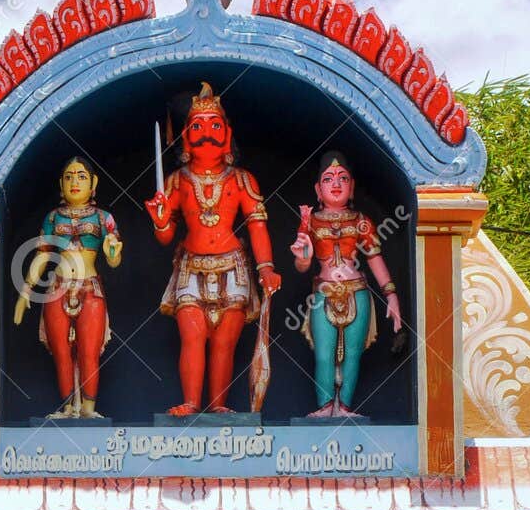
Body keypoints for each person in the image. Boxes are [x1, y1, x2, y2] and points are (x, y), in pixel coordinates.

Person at [144, 83, 281, 417]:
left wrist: (265, 268)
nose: (207, 134)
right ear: (187, 139)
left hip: (233, 265)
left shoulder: (242, 180)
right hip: (191, 266)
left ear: (228, 134)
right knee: (192, 334)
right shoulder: (178, 181)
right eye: (198, 127)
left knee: (224, 341)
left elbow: (257, 225)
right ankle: (191, 401)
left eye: (215, 126)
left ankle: (219, 404)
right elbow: (165, 237)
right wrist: (161, 221)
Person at [291, 152, 402, 418]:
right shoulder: (312, 222)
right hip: (323, 292)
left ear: (351, 186)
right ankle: (325, 406)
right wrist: (302, 258)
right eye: (328, 179)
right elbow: (302, 265)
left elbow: (374, 258)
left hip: (358, 291)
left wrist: (392, 295)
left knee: (353, 353)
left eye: (343, 178)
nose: (336, 184)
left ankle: (346, 408)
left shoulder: (361, 221)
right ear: (318, 189)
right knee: (323, 354)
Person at [14, 156, 122, 418]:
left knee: (89, 350)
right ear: (61, 184)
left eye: (82, 176)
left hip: (90, 287)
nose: (75, 181)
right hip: (57, 286)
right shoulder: (53, 218)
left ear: (93, 183)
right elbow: (42, 256)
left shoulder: (103, 218)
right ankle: (66, 407)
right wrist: (26, 291)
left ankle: (87, 408)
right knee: (60, 351)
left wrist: (112, 252)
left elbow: (114, 260)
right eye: (69, 176)